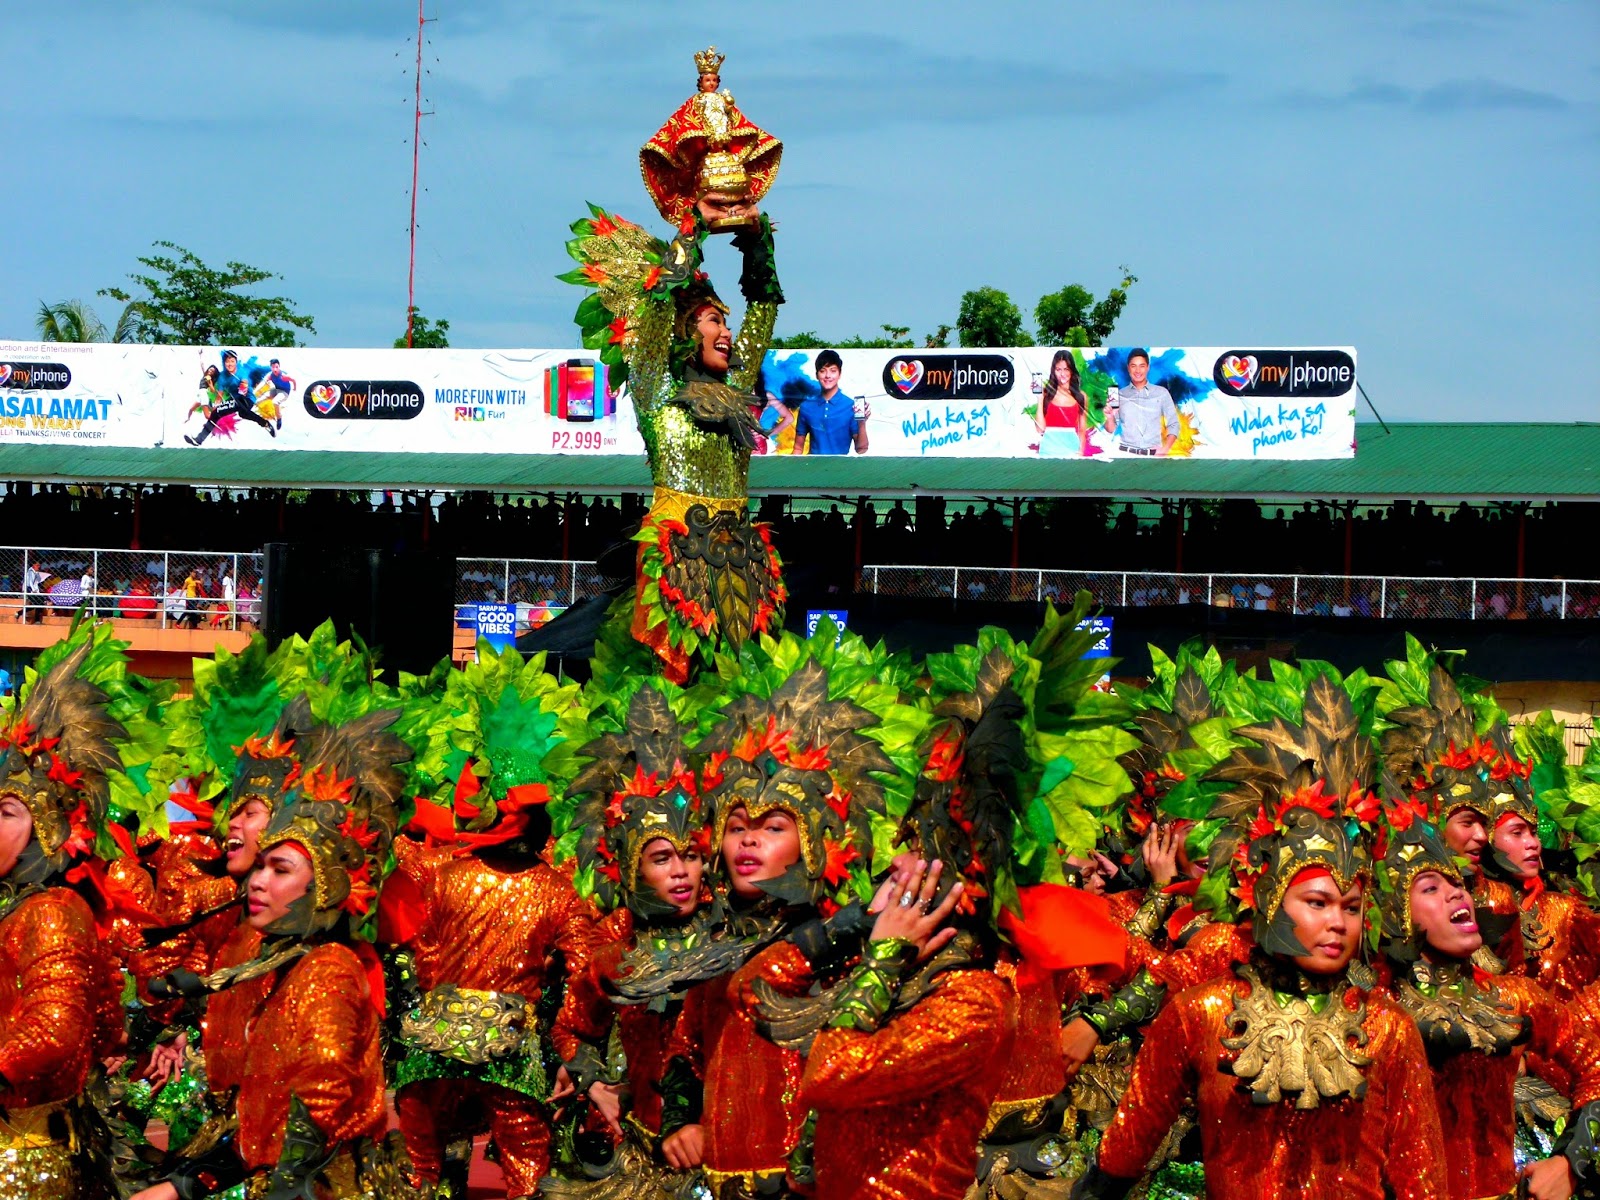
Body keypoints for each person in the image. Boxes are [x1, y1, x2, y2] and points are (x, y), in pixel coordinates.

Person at [1074, 678, 1450, 1199]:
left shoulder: (1388, 1028)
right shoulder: (1200, 1015)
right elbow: (1123, 1156)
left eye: (1353, 907)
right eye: (1317, 904)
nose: (1338, 923)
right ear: (1267, 900)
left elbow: (1421, 1178)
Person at [135, 708, 417, 1200]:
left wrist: (281, 1180)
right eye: (262, 867)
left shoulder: (328, 969)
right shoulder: (260, 942)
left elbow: (320, 1093)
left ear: (322, 884)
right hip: (243, 1148)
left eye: (279, 868)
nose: (260, 880)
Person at [1374, 810, 1600, 1200]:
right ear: (1394, 914)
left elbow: (1594, 1063)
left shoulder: (1513, 996)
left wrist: (1572, 1161)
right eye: (1430, 889)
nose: (1456, 893)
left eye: (1457, 883)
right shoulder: (1373, 1016)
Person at [0, 642, 129, 1198]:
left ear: (48, 827)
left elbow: (55, 1030)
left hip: (24, 1157)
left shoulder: (49, 910)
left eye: (5, 812)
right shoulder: (13, 904)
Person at [184, 351, 276, 446]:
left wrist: (243, 386)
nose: (230, 364)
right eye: (227, 362)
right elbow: (219, 396)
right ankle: (199, 440)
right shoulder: (222, 377)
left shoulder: (242, 371)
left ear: (236, 362)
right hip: (235, 400)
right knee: (218, 414)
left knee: (241, 409)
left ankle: (264, 424)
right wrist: (216, 406)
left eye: (232, 361)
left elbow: (243, 387)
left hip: (247, 399)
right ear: (224, 363)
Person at [1102, 349, 1176, 456]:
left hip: (1154, 456)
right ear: (1128, 368)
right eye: (1133, 366)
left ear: (1148, 367)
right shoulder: (1118, 395)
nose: (1138, 370)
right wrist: (1109, 417)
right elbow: (1110, 429)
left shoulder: (1162, 393)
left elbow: (1173, 423)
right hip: (1125, 455)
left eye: (1142, 366)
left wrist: (1165, 449)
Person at [795, 350, 869, 455]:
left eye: (833, 370)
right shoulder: (806, 407)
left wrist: (862, 422)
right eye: (822, 371)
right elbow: (798, 448)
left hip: (841, 469)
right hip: (812, 469)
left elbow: (861, 449)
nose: (828, 375)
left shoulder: (851, 406)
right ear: (817, 375)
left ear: (840, 374)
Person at [1034, 350, 1099, 458]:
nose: (1062, 374)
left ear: (1072, 371)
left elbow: (1082, 429)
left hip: (1072, 449)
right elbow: (1040, 429)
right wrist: (1039, 398)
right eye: (1058, 369)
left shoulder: (1081, 396)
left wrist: (1081, 452)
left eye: (1066, 369)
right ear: (1053, 371)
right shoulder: (1045, 393)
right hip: (1048, 450)